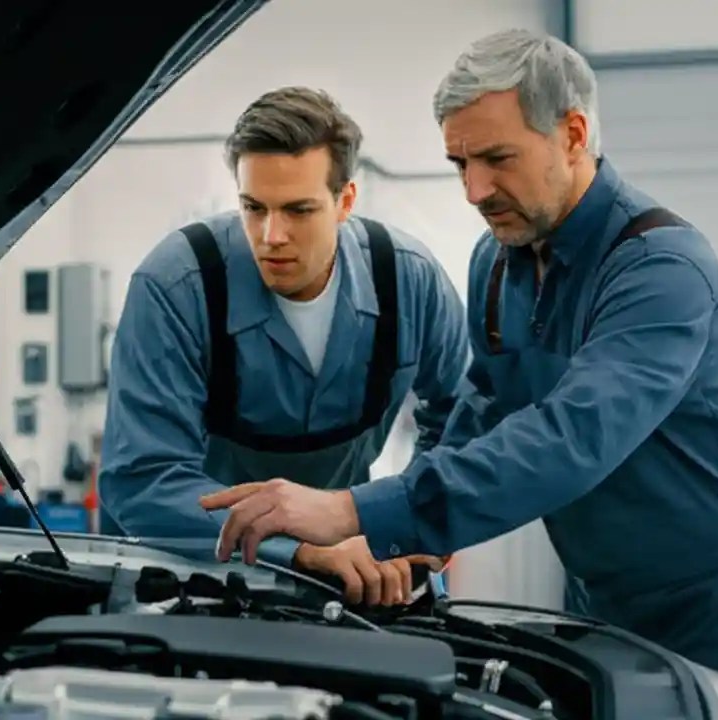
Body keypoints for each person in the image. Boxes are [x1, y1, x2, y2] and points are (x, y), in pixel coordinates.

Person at [200, 31, 718, 702]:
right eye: (459, 162)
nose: (474, 189)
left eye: (498, 158)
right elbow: (484, 409)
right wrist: (409, 544)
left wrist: (354, 510)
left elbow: (571, 438)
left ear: (574, 134)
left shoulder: (660, 269)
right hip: (599, 606)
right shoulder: (498, 264)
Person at [98, 86, 469, 606]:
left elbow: (465, 429)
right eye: (254, 207)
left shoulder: (410, 281)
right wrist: (295, 548)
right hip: (192, 581)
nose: (271, 235)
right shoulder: (177, 286)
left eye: (298, 210)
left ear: (345, 202)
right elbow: (141, 479)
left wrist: (401, 529)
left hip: (355, 572)